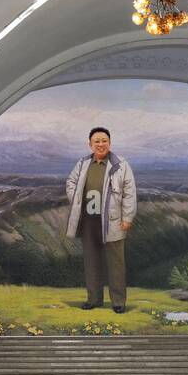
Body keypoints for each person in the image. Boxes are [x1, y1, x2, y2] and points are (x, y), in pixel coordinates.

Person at [63, 127, 136, 313]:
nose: (101, 144)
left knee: (116, 263)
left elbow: (130, 193)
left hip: (113, 221)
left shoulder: (120, 164)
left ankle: (118, 302)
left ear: (110, 143)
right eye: (97, 141)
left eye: (104, 140)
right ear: (90, 144)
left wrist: (127, 217)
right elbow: (70, 182)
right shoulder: (83, 163)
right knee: (91, 262)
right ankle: (94, 299)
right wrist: (77, 199)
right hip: (88, 221)